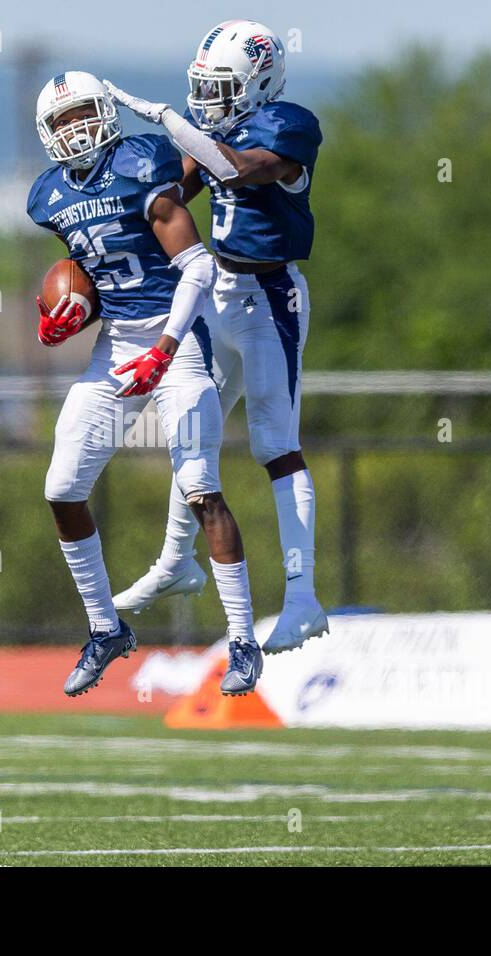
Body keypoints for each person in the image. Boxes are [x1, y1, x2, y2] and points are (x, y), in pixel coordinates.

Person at [27, 70, 262, 698]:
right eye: (62, 121)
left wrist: (163, 350)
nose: (75, 129)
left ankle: (242, 638)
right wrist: (73, 314)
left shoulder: (141, 165)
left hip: (181, 338)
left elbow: (195, 270)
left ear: (105, 113)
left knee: (199, 486)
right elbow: (108, 274)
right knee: (62, 487)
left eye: (83, 114)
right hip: (119, 344)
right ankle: (106, 630)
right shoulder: (48, 196)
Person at [104, 20, 328, 654]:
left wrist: (174, 122)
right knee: (192, 422)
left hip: (268, 301)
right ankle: (177, 560)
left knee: (275, 445)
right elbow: (172, 191)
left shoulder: (287, 126)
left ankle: (303, 597)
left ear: (259, 84)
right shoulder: (220, 127)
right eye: (203, 87)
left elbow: (234, 168)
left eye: (220, 86)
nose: (210, 98)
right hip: (218, 293)